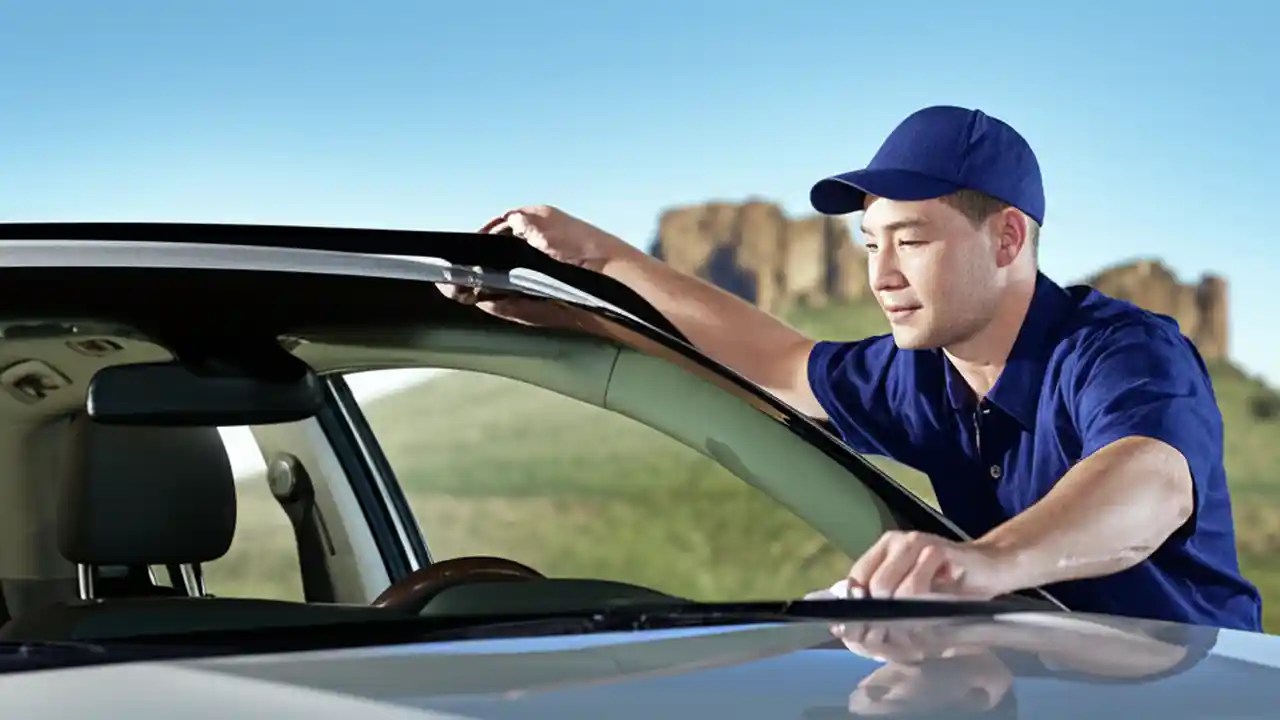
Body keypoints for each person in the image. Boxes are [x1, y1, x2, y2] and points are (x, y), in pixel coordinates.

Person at [468, 105, 1262, 632]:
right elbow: (777, 361)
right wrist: (598, 270)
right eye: (870, 244)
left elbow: (1149, 482)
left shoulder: (1121, 350)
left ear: (1009, 241)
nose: (882, 276)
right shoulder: (920, 375)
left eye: (911, 241)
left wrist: (986, 562)